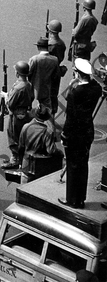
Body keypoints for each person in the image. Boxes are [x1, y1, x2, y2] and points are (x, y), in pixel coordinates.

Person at [59, 58, 103, 208]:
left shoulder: (75, 93)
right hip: (87, 131)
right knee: (83, 165)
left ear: (77, 74)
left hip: (74, 134)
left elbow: (70, 116)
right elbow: (95, 84)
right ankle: (81, 199)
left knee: (72, 166)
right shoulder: (95, 89)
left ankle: (71, 199)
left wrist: (64, 135)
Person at [0, 61, 34, 169]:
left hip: (16, 115)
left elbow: (10, 103)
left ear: (17, 73)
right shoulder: (28, 84)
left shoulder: (18, 88)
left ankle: (15, 159)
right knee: (21, 135)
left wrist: (5, 96)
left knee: (14, 136)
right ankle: (18, 158)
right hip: (25, 113)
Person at [17, 106, 61, 183]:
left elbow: (21, 147)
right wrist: (60, 153)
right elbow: (51, 151)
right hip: (39, 169)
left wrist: (20, 163)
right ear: (46, 119)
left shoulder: (25, 127)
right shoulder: (47, 131)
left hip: (26, 167)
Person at [28, 37, 60, 112]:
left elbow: (28, 72)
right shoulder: (55, 59)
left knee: (28, 108)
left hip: (34, 88)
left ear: (38, 47)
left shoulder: (34, 59)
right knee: (47, 109)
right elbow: (56, 75)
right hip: (47, 88)